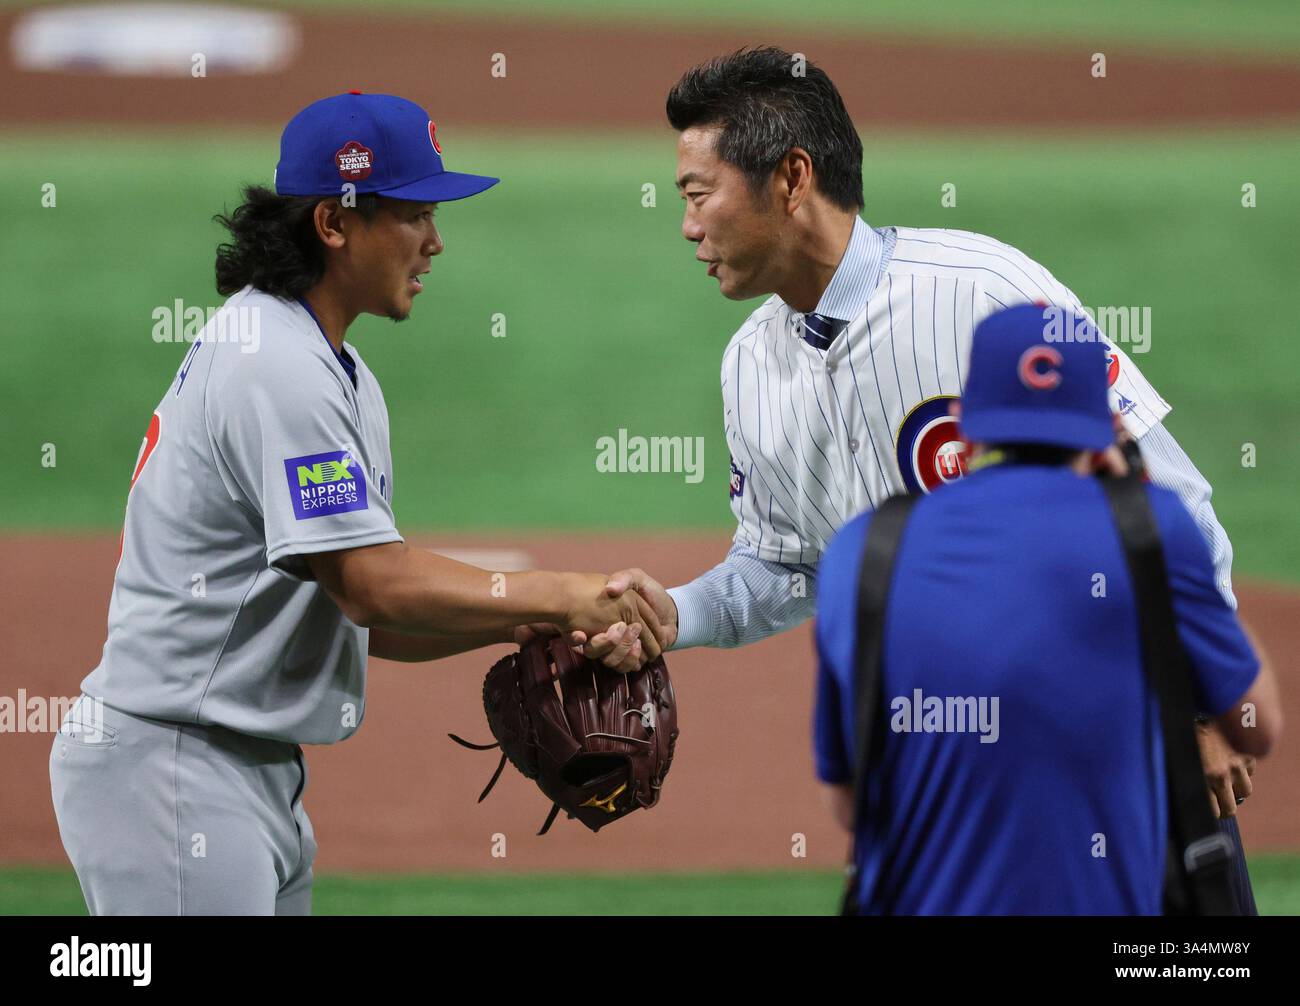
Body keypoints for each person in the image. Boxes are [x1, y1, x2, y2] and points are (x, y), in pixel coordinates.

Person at [582, 46, 1264, 909]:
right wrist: (674, 615)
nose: (686, 225)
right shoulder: (749, 364)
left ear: (791, 178)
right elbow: (785, 565)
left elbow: (1169, 502)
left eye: (696, 192)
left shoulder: (990, 296)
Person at [49, 91, 663, 916]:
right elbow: (374, 585)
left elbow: (361, 611)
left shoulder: (333, 370)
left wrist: (548, 622)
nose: (436, 243)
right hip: (173, 771)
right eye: (414, 215)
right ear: (334, 225)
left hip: (236, 768)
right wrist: (563, 591)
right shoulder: (275, 362)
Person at [810, 303, 1280, 914]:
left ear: (964, 427)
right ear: (1109, 428)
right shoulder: (1150, 532)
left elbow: (847, 803)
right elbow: (1255, 724)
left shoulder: (864, 550)